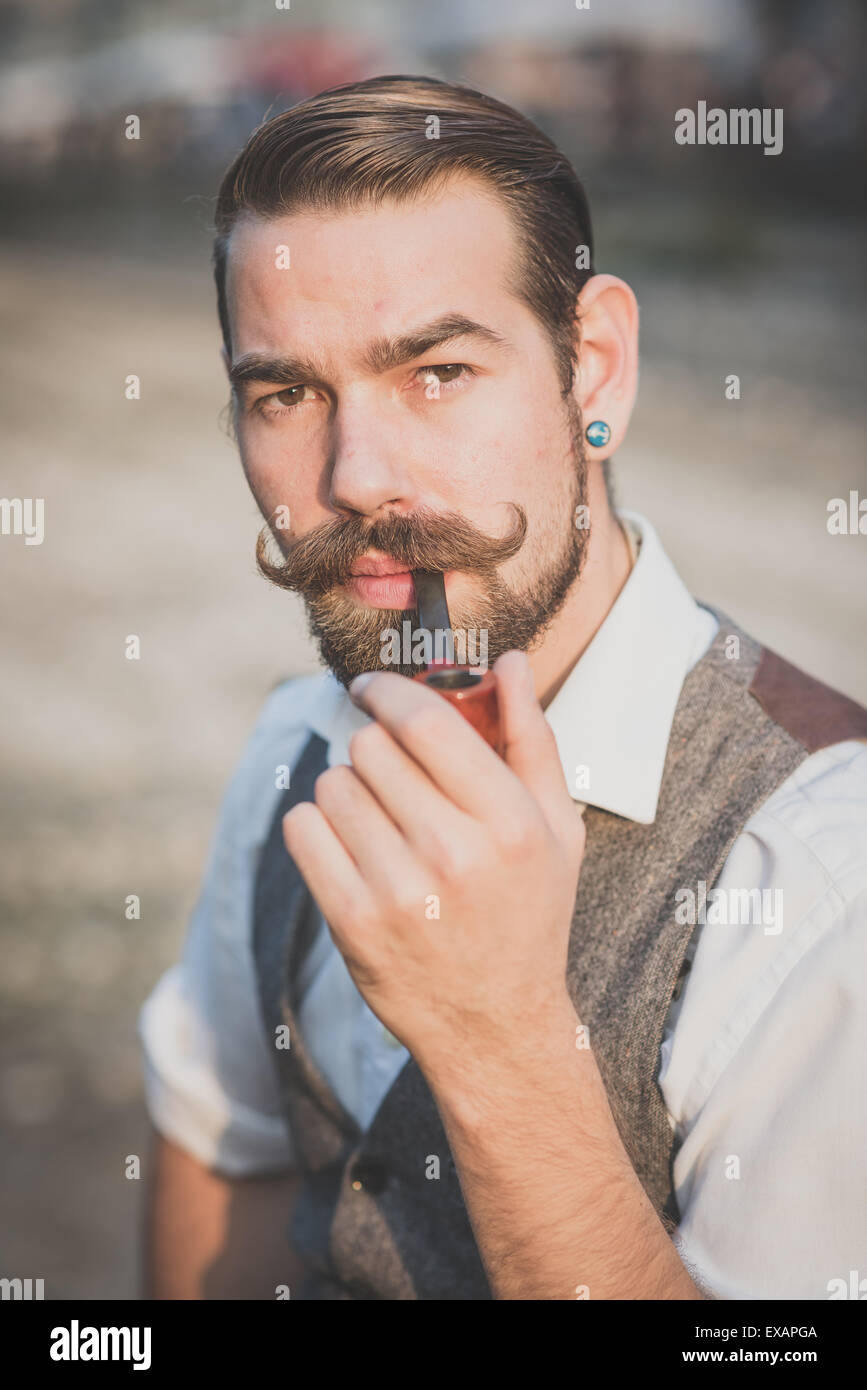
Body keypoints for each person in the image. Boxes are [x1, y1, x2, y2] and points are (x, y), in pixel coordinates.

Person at [138, 75, 867, 1301]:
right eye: (286, 394)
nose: (360, 477)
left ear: (596, 371)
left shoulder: (820, 878)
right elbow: (226, 1149)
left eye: (437, 371)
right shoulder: (297, 745)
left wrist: (502, 1041)